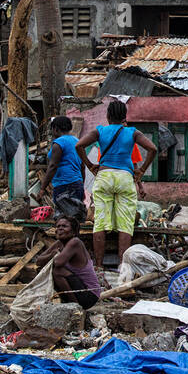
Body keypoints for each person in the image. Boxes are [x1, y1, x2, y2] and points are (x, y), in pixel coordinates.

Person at [75, 100, 158, 269]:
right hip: (125, 178)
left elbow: (79, 145)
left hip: (104, 176)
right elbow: (153, 149)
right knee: (125, 224)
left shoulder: (100, 131)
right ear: (124, 117)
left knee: (100, 222)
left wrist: (90, 166)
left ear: (107, 116)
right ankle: (122, 266)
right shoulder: (132, 133)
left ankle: (98, 266)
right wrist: (141, 170)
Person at [34, 211, 102, 310]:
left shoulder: (75, 242)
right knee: (42, 269)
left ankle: (74, 306)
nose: (60, 229)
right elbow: (38, 261)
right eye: (58, 226)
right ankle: (66, 301)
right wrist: (52, 254)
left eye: (64, 226)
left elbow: (58, 263)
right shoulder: (59, 243)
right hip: (78, 291)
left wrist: (52, 256)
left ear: (73, 232)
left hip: (89, 295)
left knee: (57, 271)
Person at [39, 116, 84, 213]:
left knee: (63, 217)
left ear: (55, 129)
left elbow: (53, 166)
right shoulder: (77, 141)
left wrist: (43, 188)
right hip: (77, 183)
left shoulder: (58, 143)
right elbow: (82, 166)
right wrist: (82, 186)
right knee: (75, 217)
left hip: (64, 184)